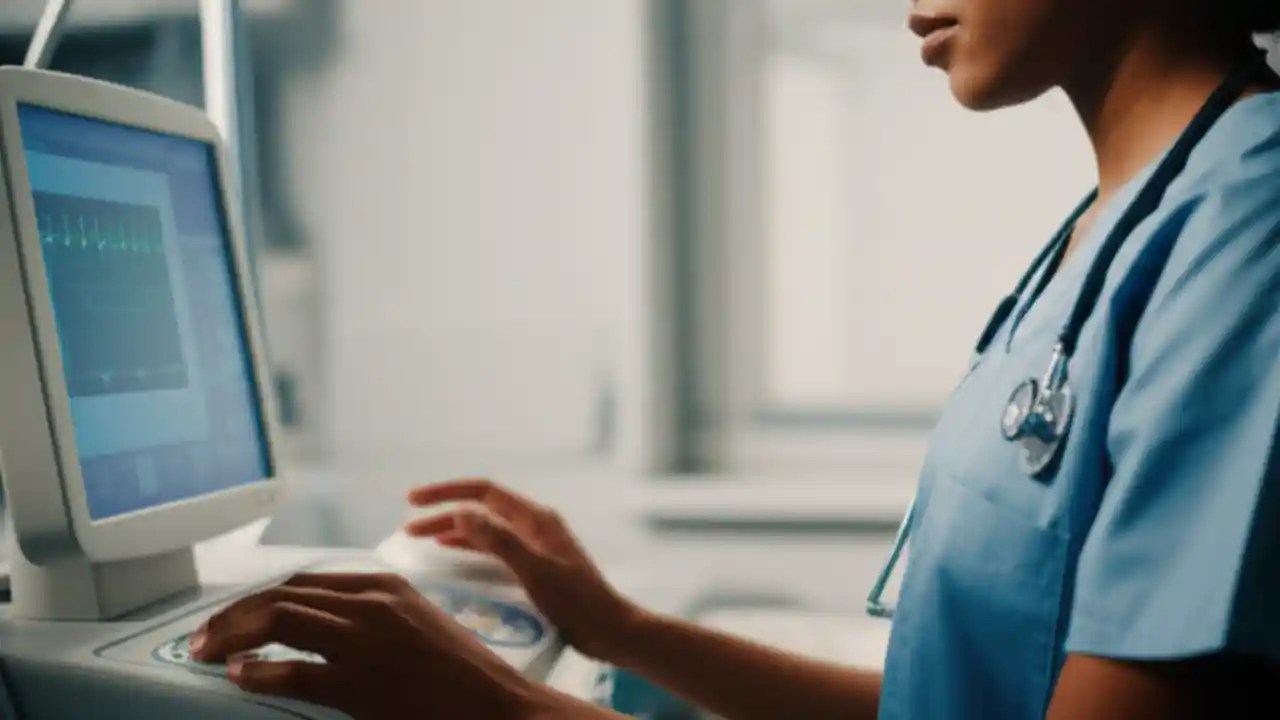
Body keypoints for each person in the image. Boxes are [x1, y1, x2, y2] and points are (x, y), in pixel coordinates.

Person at [191, 0, 1280, 717]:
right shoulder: (1111, 224)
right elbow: (940, 703)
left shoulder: (1250, 231)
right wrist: (620, 629)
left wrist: (502, 707)